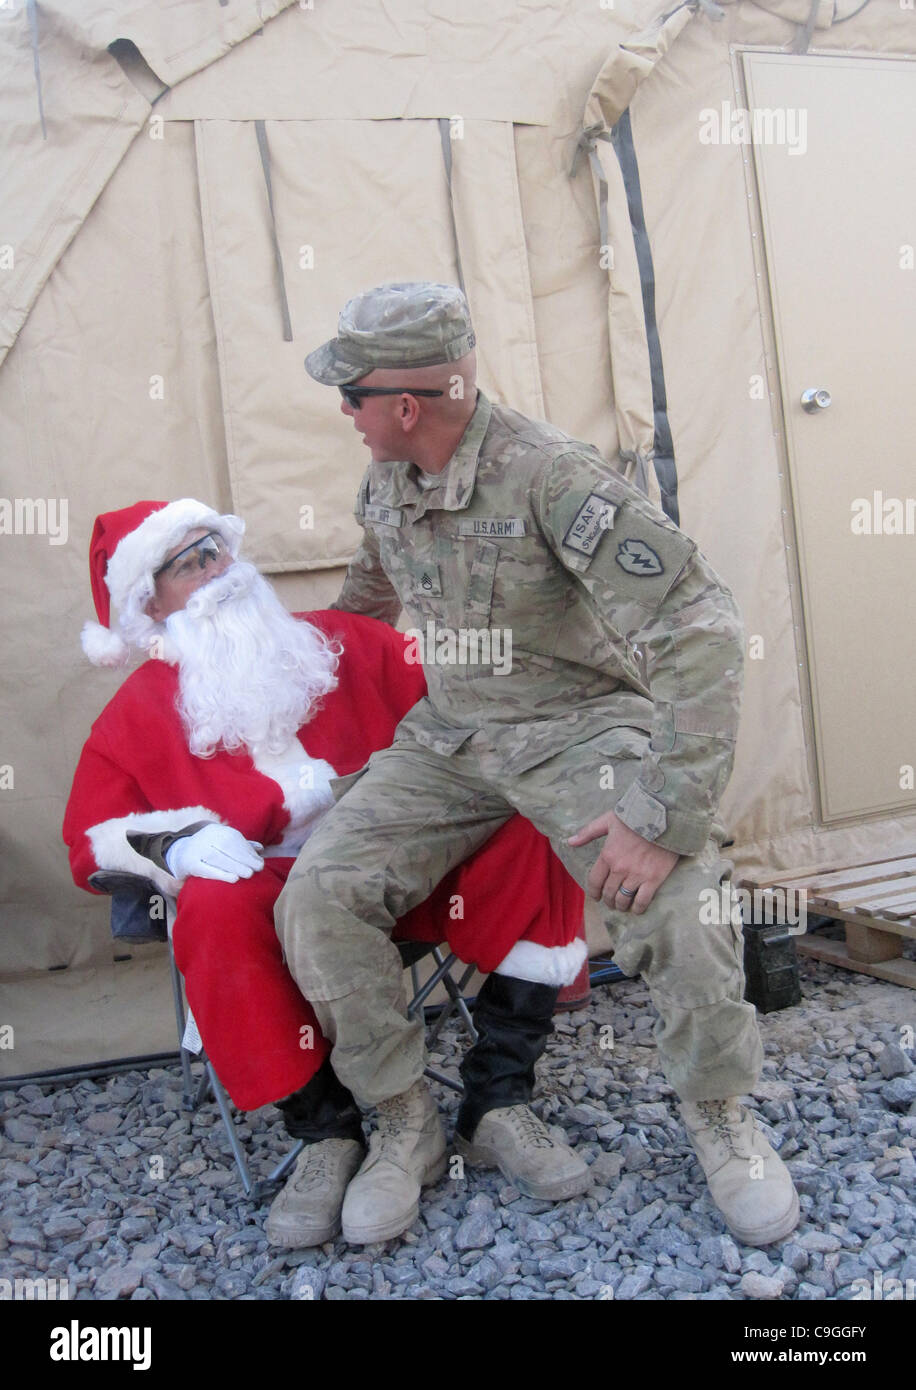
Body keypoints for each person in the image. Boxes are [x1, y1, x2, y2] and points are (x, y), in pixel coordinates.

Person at [275, 281, 801, 1249]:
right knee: (317, 897)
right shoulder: (387, 481)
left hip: (576, 729)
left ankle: (722, 1112)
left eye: (349, 396)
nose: (341, 414)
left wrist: (660, 814)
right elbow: (367, 594)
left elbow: (702, 631)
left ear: (403, 404)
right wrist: (253, 655)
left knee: (682, 903)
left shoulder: (554, 478)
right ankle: (403, 1121)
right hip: (451, 736)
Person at [63, 498, 589, 1248]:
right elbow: (91, 837)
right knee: (210, 904)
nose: (219, 567)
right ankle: (328, 1133)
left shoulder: (339, 642)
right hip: (276, 908)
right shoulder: (135, 713)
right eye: (190, 562)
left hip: (402, 869)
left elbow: (459, 698)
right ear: (149, 605)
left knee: (528, 815)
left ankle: (499, 1097)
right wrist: (169, 845)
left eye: (217, 546)